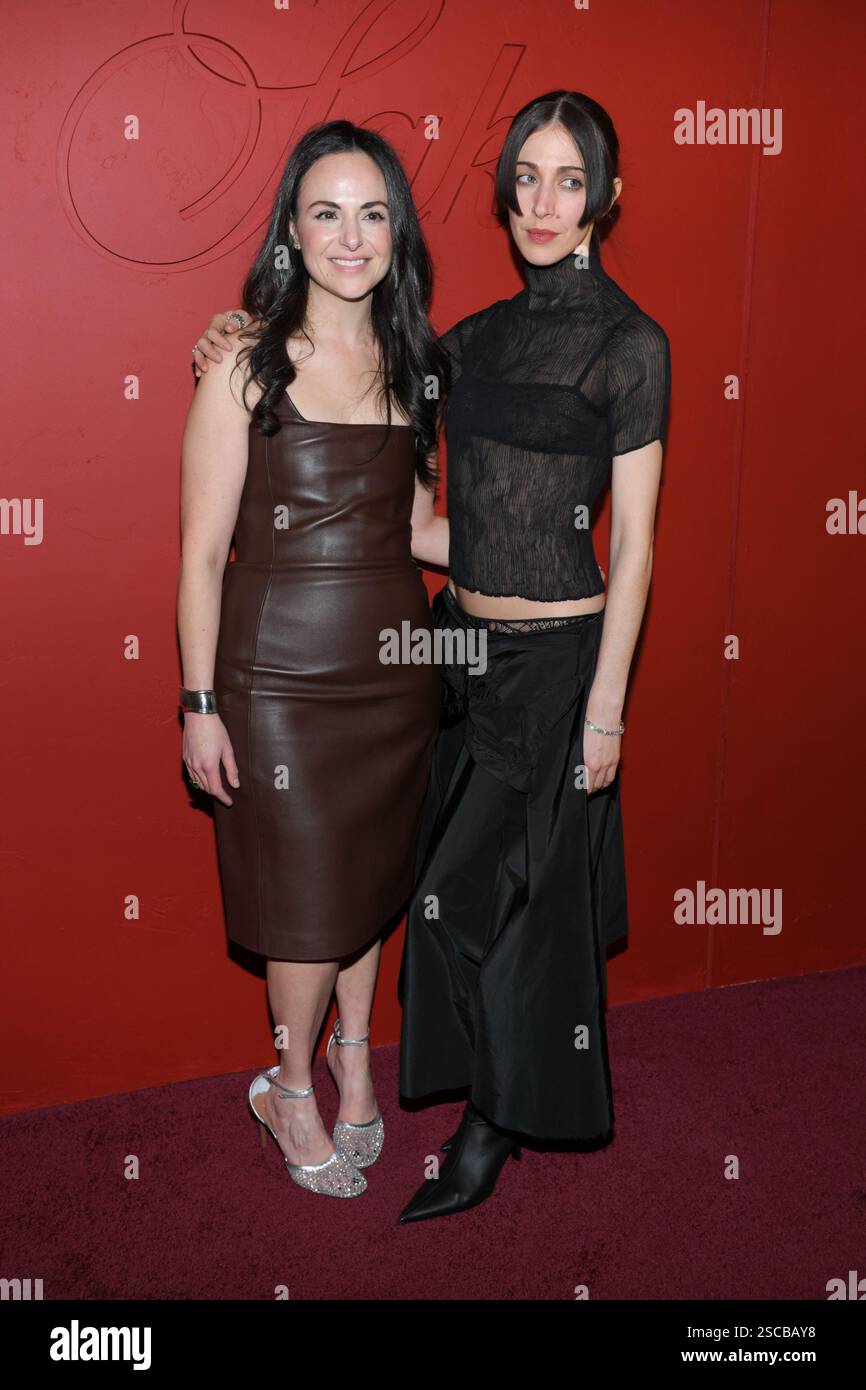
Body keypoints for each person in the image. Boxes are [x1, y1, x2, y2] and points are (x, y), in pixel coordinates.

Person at [192, 90, 672, 1223]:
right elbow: (414, 522)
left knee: (528, 915)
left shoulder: (632, 344)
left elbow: (638, 542)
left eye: (567, 180)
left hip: (561, 664)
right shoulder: (456, 349)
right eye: (524, 179)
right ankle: (364, 1077)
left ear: (605, 195)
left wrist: (605, 707)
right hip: (452, 648)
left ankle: (485, 1131)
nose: (542, 202)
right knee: (437, 897)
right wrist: (228, 334)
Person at [178, 120, 448, 1200]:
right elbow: (201, 552)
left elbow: (419, 526)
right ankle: (285, 1083)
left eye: (372, 211)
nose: (351, 234)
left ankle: (351, 1060)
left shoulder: (419, 364)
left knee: (370, 880)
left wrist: (532, 556)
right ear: (292, 229)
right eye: (325, 210)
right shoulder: (243, 358)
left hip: (393, 668)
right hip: (276, 675)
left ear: (397, 230)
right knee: (308, 896)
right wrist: (198, 703)